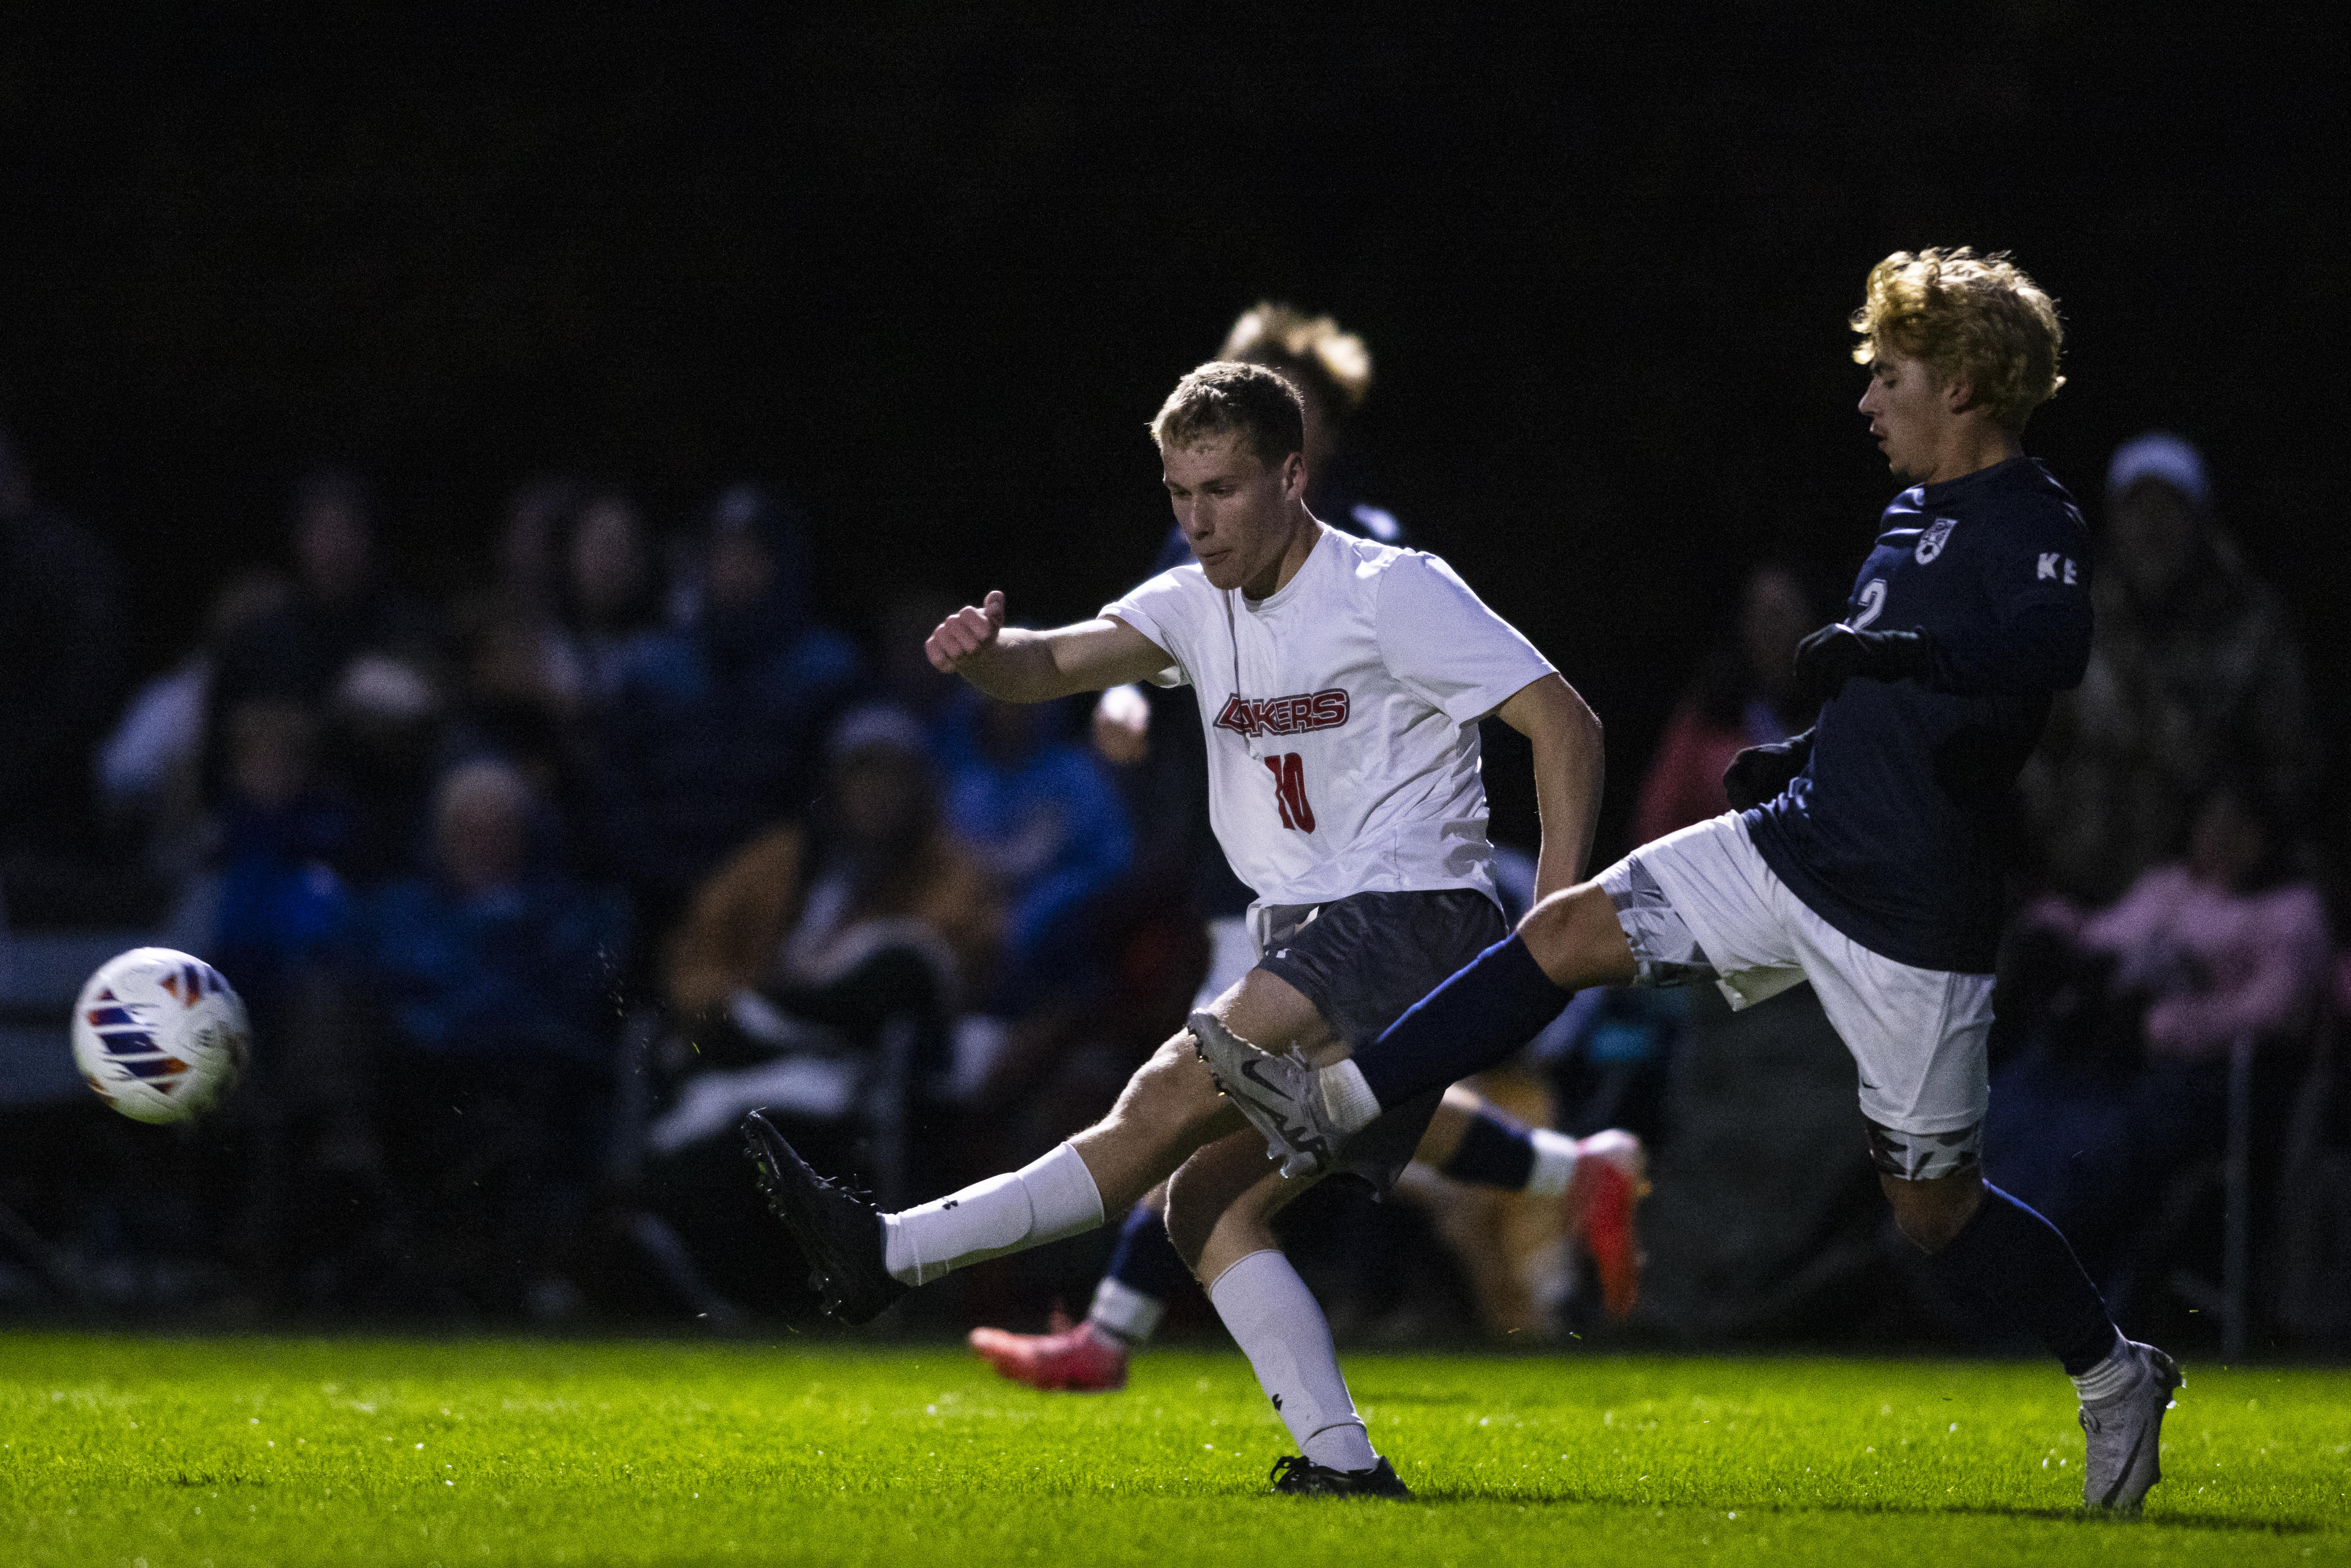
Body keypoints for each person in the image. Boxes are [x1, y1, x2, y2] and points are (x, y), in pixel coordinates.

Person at [1187, 249, 2183, 1513]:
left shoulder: (2028, 514)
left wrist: (1892, 647)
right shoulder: (1905, 514)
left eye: (1890, 376)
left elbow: (2047, 649)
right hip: (1796, 842)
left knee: (1931, 1210)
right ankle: (1334, 1099)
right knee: (1559, 929)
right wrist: (1804, 750)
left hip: (1907, 914)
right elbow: (1904, 699)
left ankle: (2112, 1373)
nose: (1868, 399)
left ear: (1970, 383)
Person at [745, 360, 1625, 1497]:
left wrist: (1546, 926)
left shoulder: (1387, 586)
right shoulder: (1190, 600)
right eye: (1177, 492)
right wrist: (986, 658)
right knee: (1203, 1201)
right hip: (1312, 935)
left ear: (1292, 474)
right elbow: (1057, 660)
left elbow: (1565, 722)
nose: (1196, 520)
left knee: (1163, 1094)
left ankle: (887, 1252)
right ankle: (1345, 1464)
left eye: (1219, 489)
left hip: (1409, 920)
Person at [969, 306, 1624, 1395]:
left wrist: (1549, 912)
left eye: (1283, 406)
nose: (1202, 506)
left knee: (1190, 1102)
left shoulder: (1364, 552)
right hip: (1247, 862)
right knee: (1320, 1099)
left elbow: (1538, 707)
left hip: (1344, 881)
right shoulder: (1200, 532)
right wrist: (1116, 694)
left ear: (1300, 450)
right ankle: (1572, 1169)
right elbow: (1141, 632)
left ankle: (1105, 1328)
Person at [2018, 432, 2311, 902]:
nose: (2153, 526)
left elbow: (2288, 757)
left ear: (2202, 521)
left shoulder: (2251, 625)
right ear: (2113, 521)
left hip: (2209, 898)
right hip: (2077, 894)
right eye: (2138, 507)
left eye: (2171, 507)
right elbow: (2028, 746)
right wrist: (2048, 841)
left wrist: (2251, 818)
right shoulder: (2070, 619)